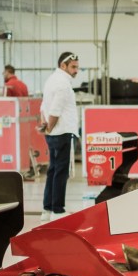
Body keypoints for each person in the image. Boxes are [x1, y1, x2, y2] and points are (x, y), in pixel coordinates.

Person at [38, 52, 79, 221]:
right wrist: (50, 127)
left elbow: (43, 107)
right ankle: (58, 210)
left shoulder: (51, 80)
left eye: (77, 66)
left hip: (53, 133)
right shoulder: (63, 84)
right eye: (73, 67)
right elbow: (55, 109)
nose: (76, 70)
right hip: (62, 133)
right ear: (63, 66)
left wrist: (46, 127)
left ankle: (47, 210)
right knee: (61, 172)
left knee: (53, 170)